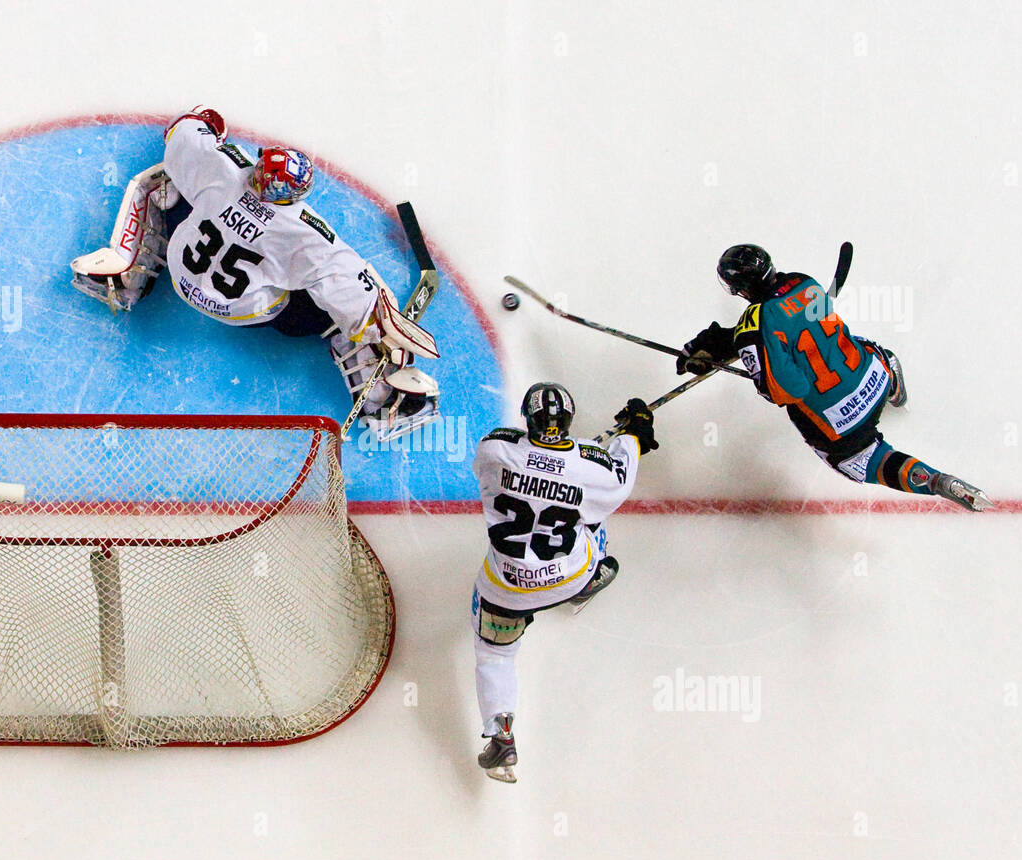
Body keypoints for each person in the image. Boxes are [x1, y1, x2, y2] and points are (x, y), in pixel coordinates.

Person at [70, 105, 440, 441]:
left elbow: (183, 131)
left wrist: (206, 123)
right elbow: (356, 295)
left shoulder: (224, 169)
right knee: (343, 315)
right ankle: (381, 398)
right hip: (242, 311)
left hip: (182, 275)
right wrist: (378, 321)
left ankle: (128, 270)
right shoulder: (307, 237)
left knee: (163, 181)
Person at [676, 244, 992, 511]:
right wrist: (720, 343)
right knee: (860, 346)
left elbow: (786, 389)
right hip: (872, 378)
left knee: (863, 462)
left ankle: (932, 479)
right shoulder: (804, 282)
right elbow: (784, 322)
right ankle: (893, 383)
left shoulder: (753, 325)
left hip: (841, 423)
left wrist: (753, 368)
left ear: (738, 288)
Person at [469, 382, 657, 782]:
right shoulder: (592, 468)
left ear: (527, 417)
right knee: (593, 514)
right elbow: (617, 481)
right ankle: (589, 584)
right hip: (567, 577)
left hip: (507, 586)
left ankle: (501, 735)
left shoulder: (493, 449)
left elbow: (518, 460)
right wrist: (632, 434)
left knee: (495, 655)